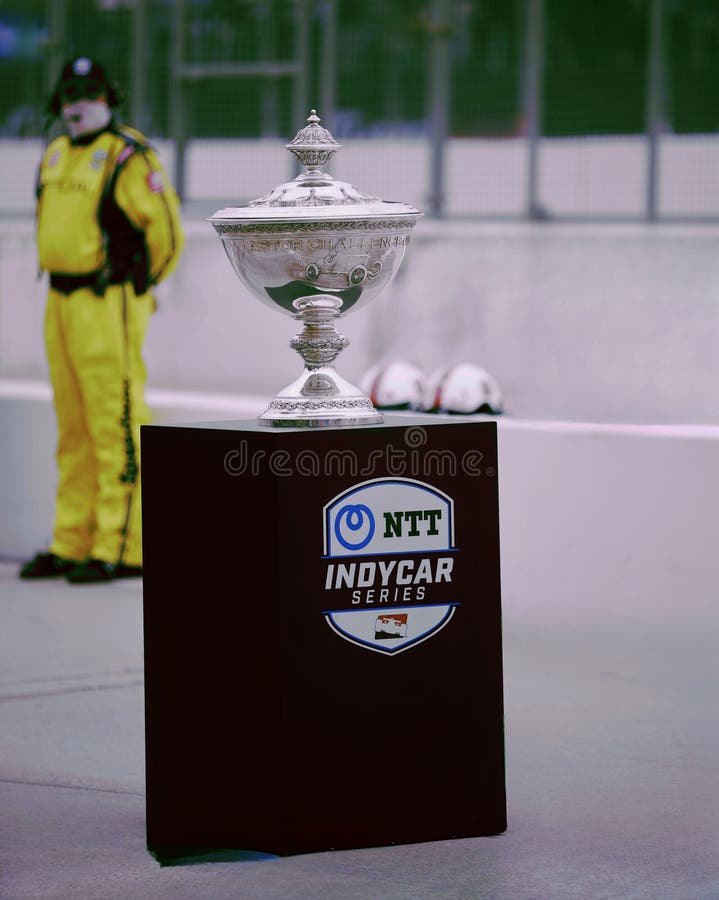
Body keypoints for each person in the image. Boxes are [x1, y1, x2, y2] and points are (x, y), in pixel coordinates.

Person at [19, 57, 183, 583]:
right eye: (70, 93)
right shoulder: (56, 153)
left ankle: (122, 544)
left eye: (90, 93)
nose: (78, 104)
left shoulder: (128, 155)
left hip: (107, 302)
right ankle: (72, 539)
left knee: (116, 421)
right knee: (73, 428)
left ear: (109, 99)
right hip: (61, 303)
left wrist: (137, 285)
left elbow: (166, 233)